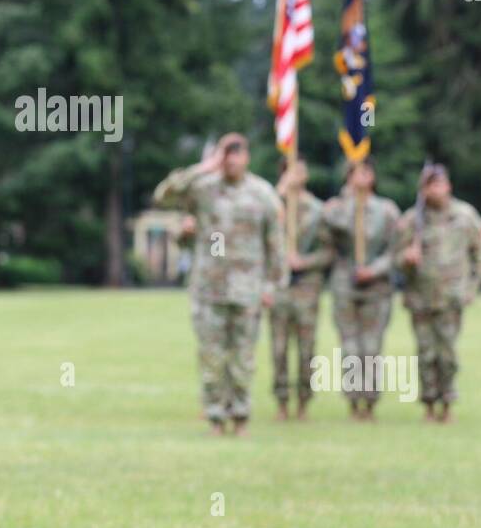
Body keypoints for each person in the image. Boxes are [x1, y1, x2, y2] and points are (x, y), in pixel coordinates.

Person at [153, 133, 285, 436]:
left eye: (237, 154)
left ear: (247, 157)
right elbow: (164, 195)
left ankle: (240, 417)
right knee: (211, 356)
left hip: (248, 289)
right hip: (208, 287)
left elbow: (275, 245)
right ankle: (215, 416)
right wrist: (203, 167)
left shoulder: (262, 194)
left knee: (243, 358)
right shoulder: (203, 188)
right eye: (226, 154)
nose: (232, 160)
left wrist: (272, 286)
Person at [396, 164, 481, 422]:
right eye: (429, 185)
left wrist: (471, 288)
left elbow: (480, 255)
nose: (435, 190)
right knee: (425, 353)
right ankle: (428, 404)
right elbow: (394, 259)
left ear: (448, 186)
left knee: (447, 353)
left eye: (439, 184)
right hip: (420, 297)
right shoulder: (412, 220)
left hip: (451, 297)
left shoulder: (465, 216)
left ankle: (447, 403)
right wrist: (406, 259)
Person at [318, 159, 400, 420]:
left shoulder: (386, 210)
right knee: (351, 348)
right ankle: (353, 401)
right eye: (354, 173)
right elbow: (331, 223)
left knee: (372, 348)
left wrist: (374, 270)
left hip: (376, 286)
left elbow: (394, 250)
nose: (361, 177)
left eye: (366, 172)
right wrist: (349, 197)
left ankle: (371, 401)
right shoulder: (339, 208)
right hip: (345, 284)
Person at [270, 157, 328, 421]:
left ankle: (304, 402)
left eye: (301, 170)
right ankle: (281, 401)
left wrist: (305, 261)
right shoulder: (272, 205)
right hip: (279, 284)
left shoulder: (318, 210)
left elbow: (329, 251)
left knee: (306, 348)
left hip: (307, 286)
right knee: (279, 348)